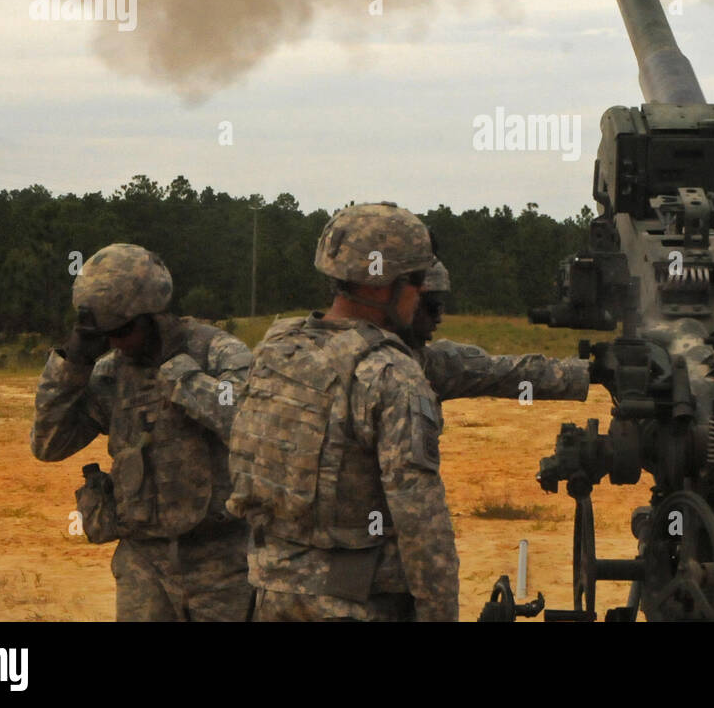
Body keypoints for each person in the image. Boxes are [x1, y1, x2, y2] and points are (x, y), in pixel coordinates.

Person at [227, 203, 458, 622]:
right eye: (416, 279)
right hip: (353, 604)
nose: (422, 293)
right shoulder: (389, 372)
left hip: (269, 597)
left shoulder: (275, 349)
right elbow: (422, 526)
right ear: (377, 287)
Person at [30, 243, 254, 622]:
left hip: (222, 562)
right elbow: (48, 444)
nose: (115, 343)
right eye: (104, 334)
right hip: (143, 564)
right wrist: (74, 363)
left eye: (121, 330)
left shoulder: (216, 353)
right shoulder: (110, 373)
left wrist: (183, 380)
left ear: (153, 313)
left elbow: (250, 425)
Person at [408, 260, 591, 417]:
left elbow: (508, 374)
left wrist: (585, 372)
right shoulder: (399, 367)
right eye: (432, 306)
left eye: (440, 307)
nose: (439, 318)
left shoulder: (428, 364)